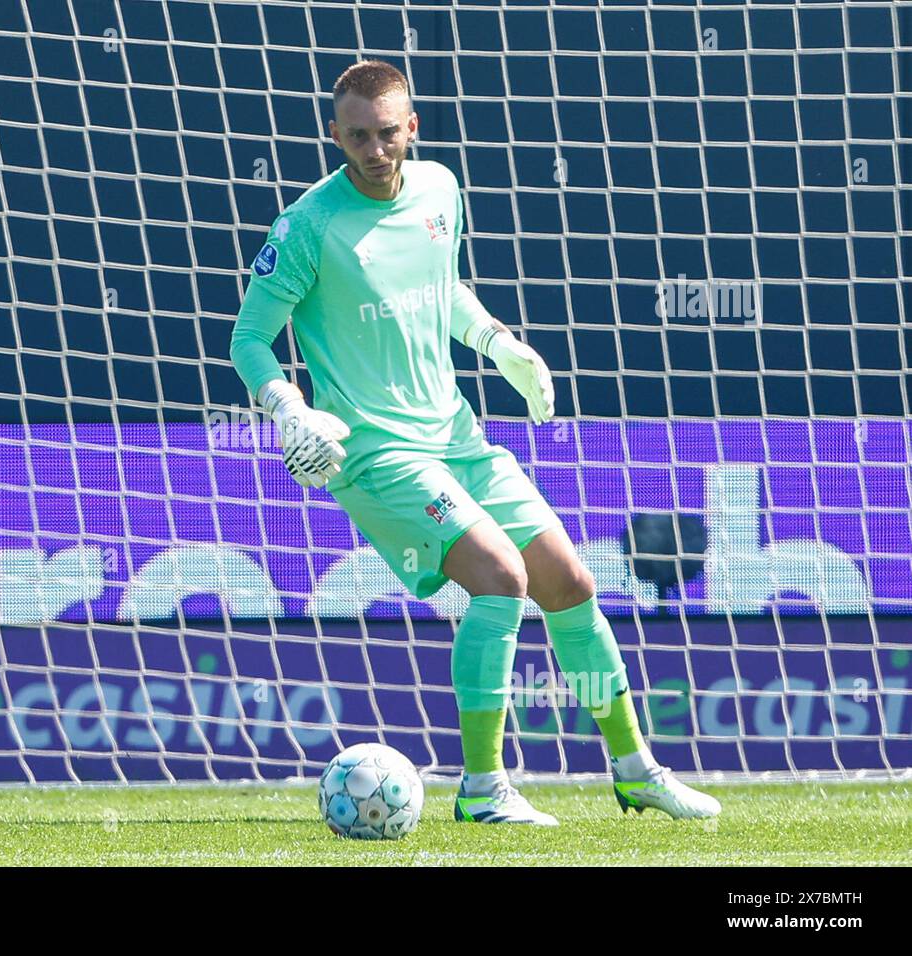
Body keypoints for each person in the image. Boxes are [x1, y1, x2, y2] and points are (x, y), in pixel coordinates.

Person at [229, 60, 720, 824]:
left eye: (387, 133)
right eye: (356, 135)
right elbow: (250, 337)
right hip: (373, 450)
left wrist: (496, 341)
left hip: (455, 433)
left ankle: (636, 770)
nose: (373, 149)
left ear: (411, 129)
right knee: (499, 577)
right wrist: (289, 408)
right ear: (335, 134)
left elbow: (441, 287)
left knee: (568, 584)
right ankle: (484, 789)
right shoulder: (308, 225)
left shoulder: (440, 189)